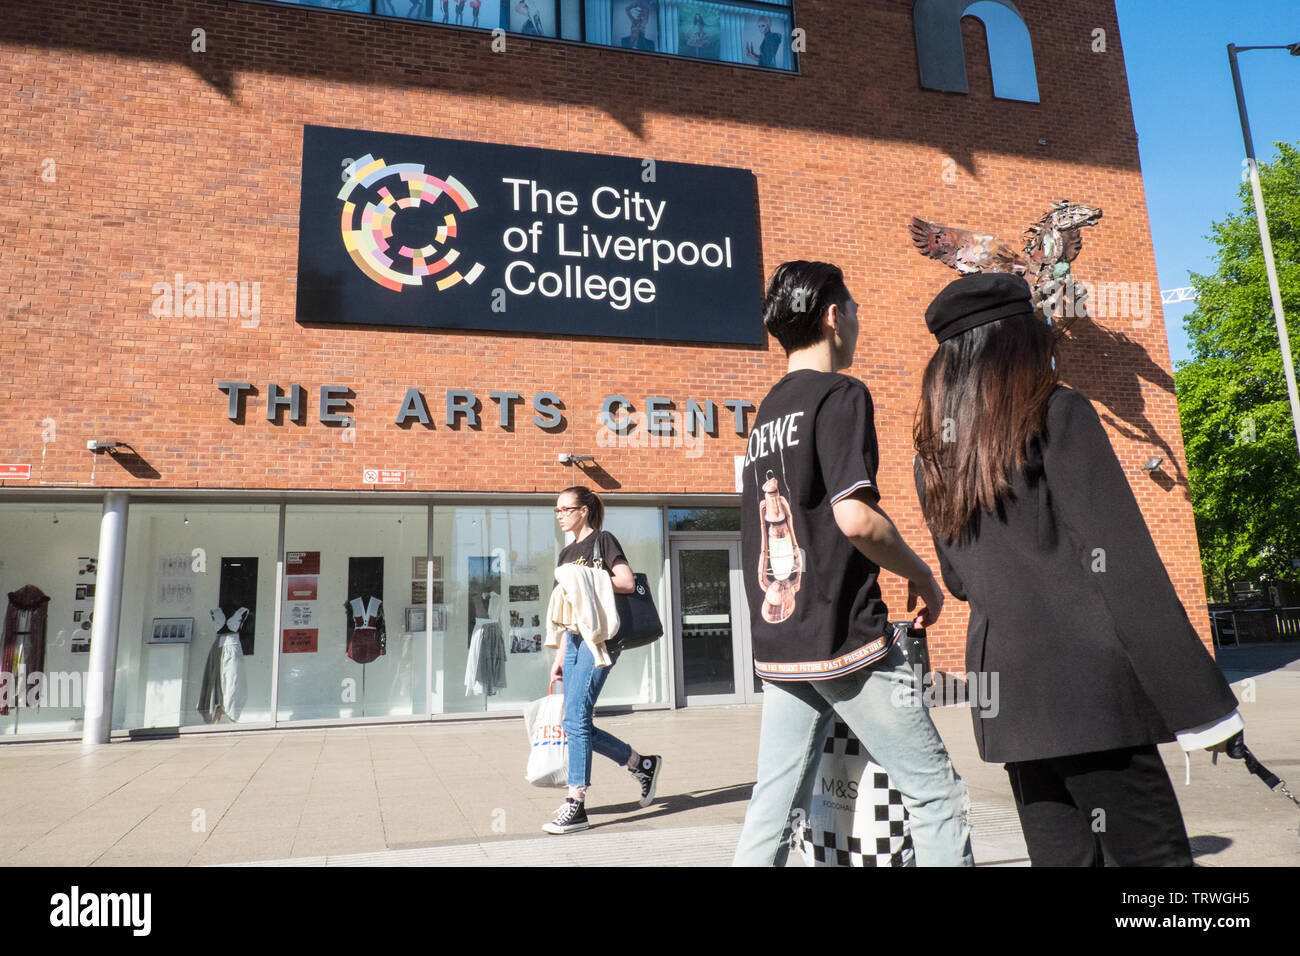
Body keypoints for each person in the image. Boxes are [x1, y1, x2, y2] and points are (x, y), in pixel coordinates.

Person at [912, 272, 1242, 866]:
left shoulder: (933, 457)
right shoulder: (1057, 413)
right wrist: (1205, 708)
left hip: (1010, 700)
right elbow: (1125, 566)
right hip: (1090, 696)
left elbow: (961, 581)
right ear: (1017, 343)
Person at [733, 260, 974, 867]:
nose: (860, 319)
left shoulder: (765, 417)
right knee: (935, 793)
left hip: (784, 644)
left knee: (774, 802)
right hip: (846, 638)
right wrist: (921, 574)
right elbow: (856, 519)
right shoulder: (842, 394)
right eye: (856, 308)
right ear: (833, 316)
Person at [542, 485, 663, 834]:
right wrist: (561, 656)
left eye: (565, 509)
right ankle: (641, 763)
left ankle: (576, 802)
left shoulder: (603, 541)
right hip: (576, 639)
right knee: (574, 722)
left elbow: (625, 581)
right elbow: (568, 610)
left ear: (583, 510)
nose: (560, 515)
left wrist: (586, 578)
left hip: (603, 640)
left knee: (576, 718)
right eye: (557, 510)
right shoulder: (565, 554)